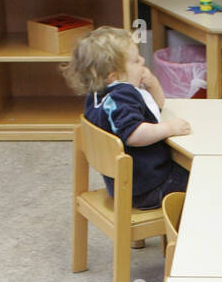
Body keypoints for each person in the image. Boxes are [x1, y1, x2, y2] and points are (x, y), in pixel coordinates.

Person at [62, 26, 191, 209]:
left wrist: (152, 83)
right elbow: (134, 134)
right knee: (198, 177)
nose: (143, 61)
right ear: (114, 76)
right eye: (136, 61)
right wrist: (169, 129)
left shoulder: (97, 96)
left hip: (125, 186)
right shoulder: (122, 97)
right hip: (148, 188)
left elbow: (158, 106)